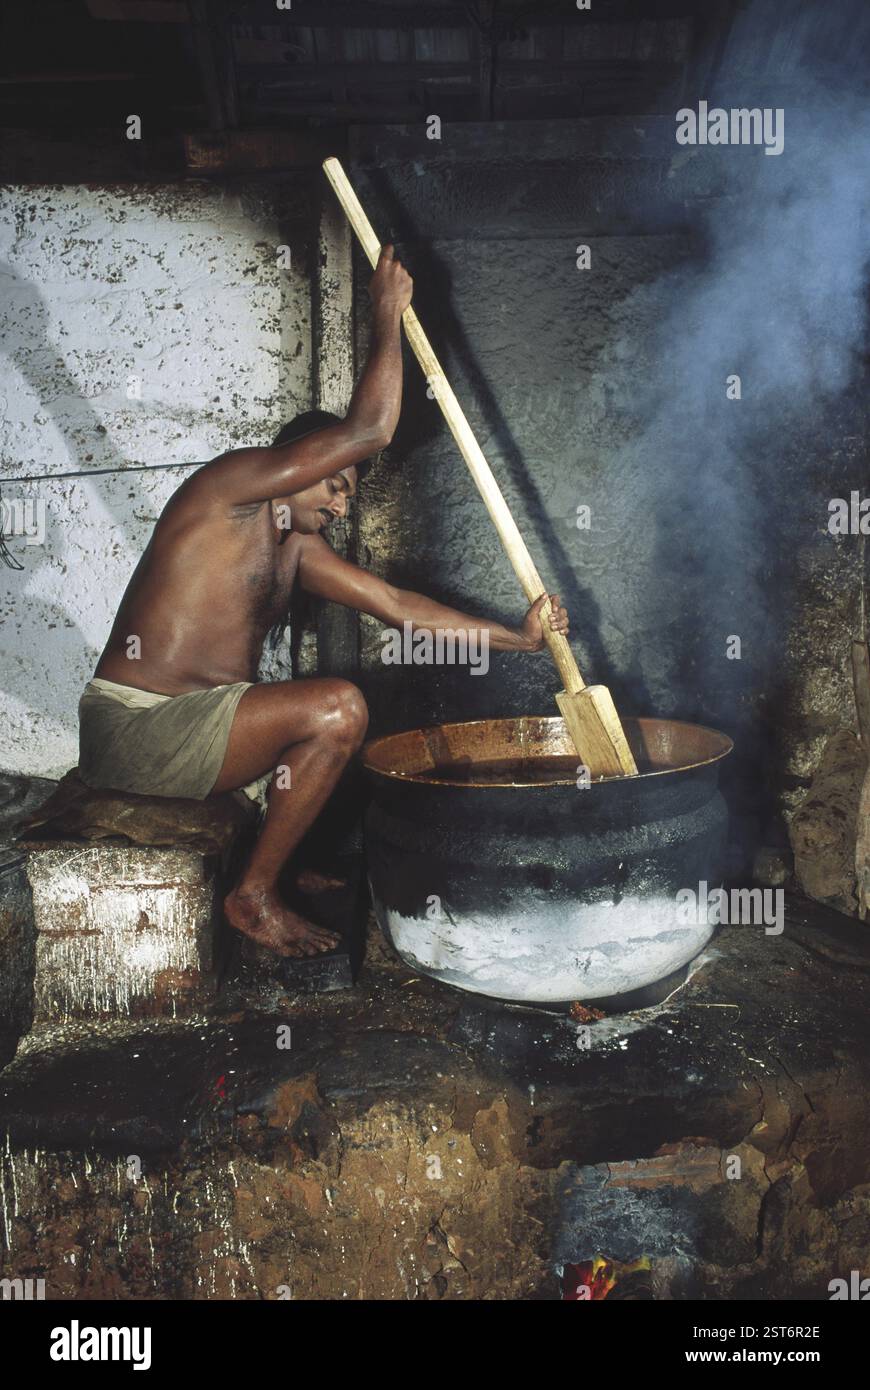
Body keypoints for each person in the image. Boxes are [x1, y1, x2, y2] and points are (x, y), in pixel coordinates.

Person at [79, 247, 569, 957]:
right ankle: (252, 896)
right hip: (138, 729)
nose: (342, 503)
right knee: (339, 707)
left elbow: (395, 604)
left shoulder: (296, 547)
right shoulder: (230, 489)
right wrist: (385, 316)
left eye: (349, 490)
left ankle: (274, 861)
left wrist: (517, 639)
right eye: (334, 484)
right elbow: (368, 429)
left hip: (196, 726)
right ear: (298, 464)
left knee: (333, 710)